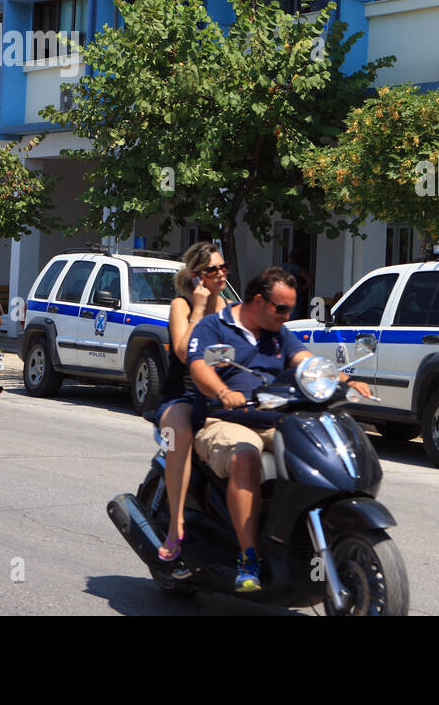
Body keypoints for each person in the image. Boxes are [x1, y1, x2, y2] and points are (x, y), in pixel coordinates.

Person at [186, 266, 371, 592]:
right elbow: (200, 366)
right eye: (282, 308)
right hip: (226, 419)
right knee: (246, 457)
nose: (287, 315)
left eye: (291, 309)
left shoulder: (278, 333)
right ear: (259, 300)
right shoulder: (214, 327)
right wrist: (223, 391)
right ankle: (249, 557)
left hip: (277, 418)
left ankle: (299, 534)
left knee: (322, 454)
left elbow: (306, 361)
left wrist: (345, 381)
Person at [153, 242, 230, 567]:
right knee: (180, 433)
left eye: (223, 267)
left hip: (216, 392)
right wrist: (198, 309)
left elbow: (230, 352)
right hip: (181, 395)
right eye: (214, 270)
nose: (221, 274)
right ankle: (175, 526)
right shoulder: (181, 305)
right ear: (198, 276)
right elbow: (185, 353)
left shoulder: (226, 304)